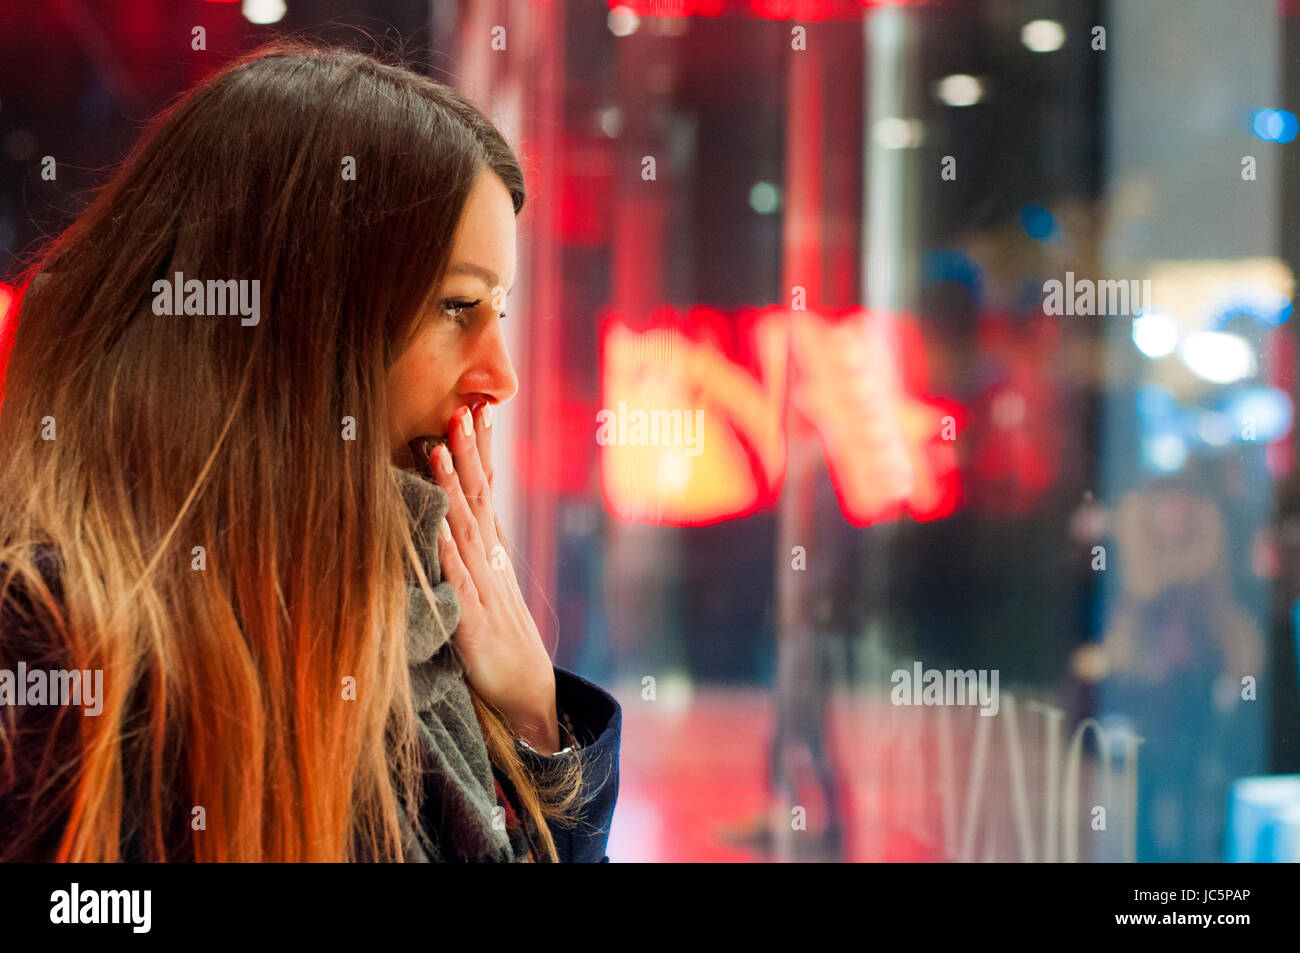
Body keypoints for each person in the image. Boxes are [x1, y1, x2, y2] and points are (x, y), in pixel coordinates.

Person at [0, 41, 619, 862]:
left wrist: (539, 719)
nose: (501, 376)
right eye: (458, 305)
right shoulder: (65, 642)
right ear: (298, 321)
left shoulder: (423, 624)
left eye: (499, 311)